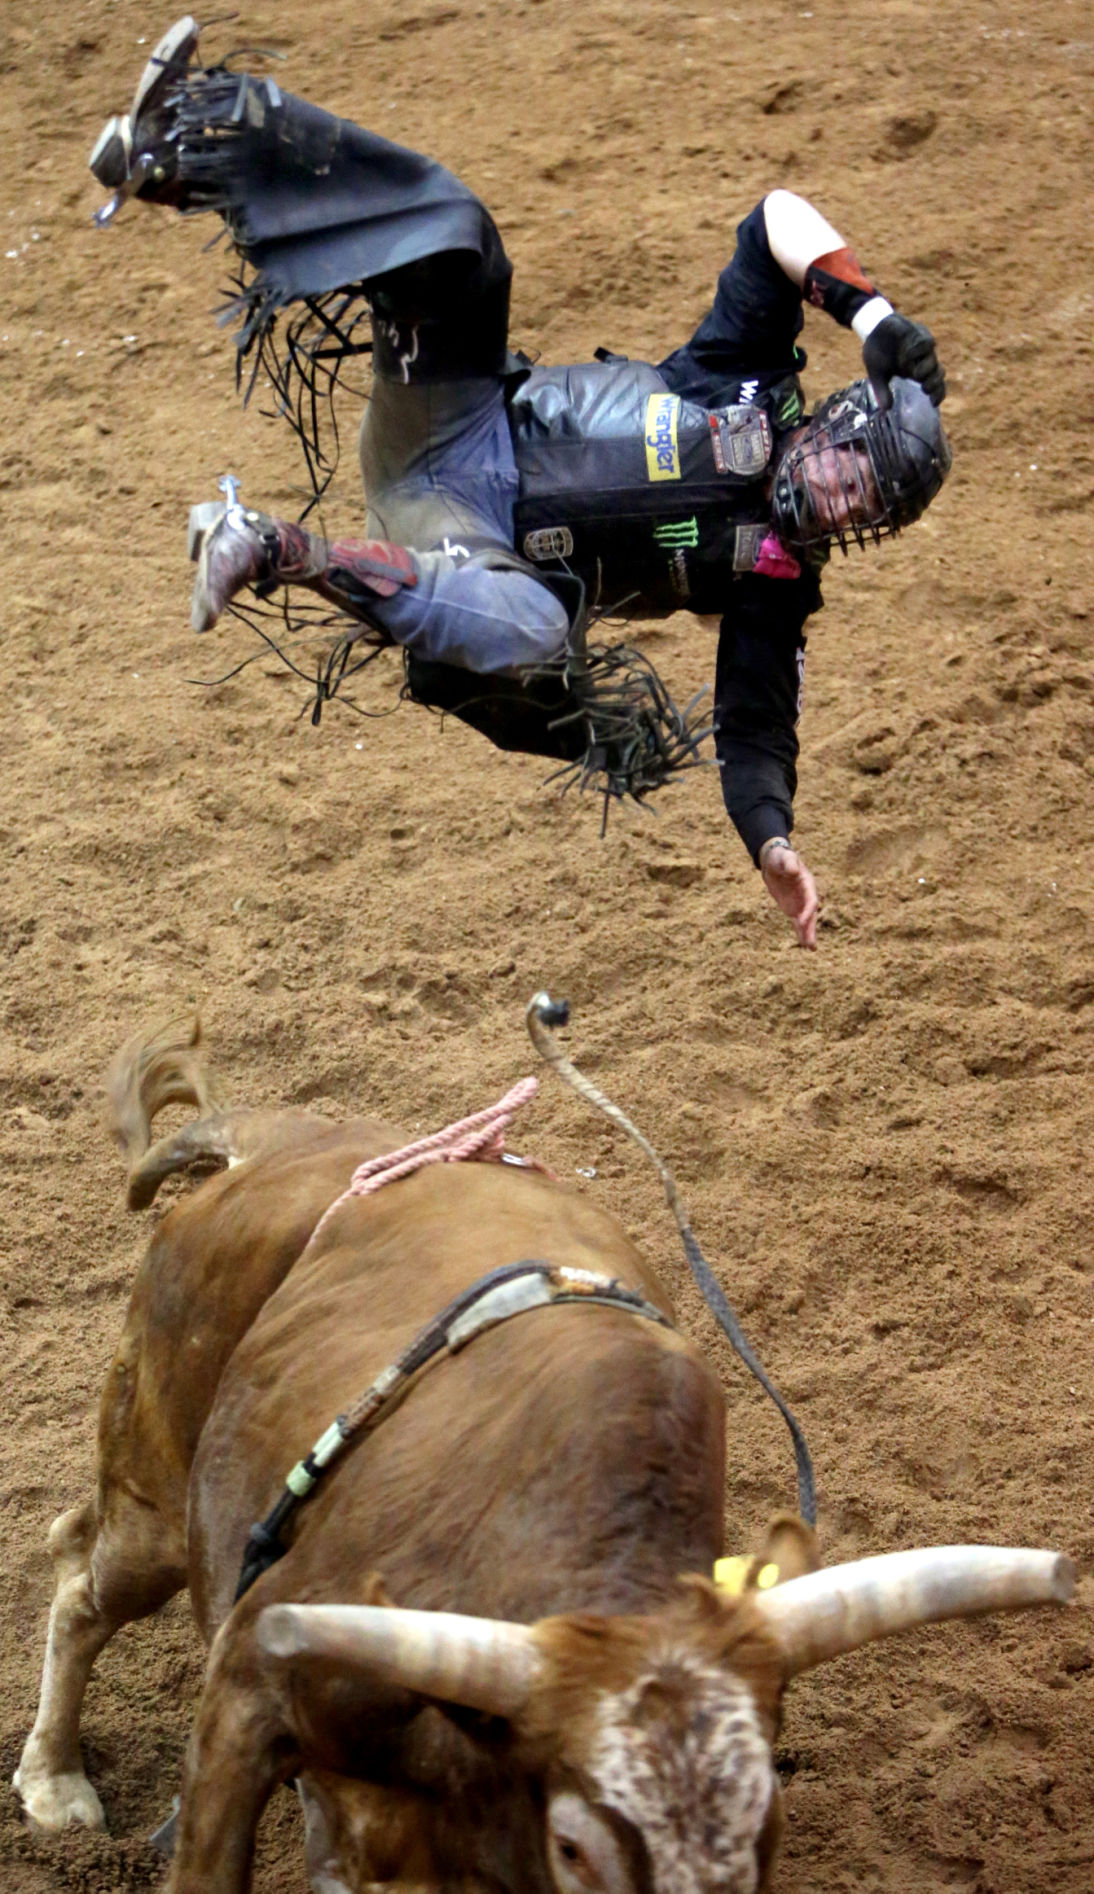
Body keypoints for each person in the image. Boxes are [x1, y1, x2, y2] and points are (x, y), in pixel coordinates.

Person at [90, 17, 951, 949]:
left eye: (869, 512)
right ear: (837, 422)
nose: (846, 502)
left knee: (537, 630)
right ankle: (193, 149)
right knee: (465, 242)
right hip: (453, 410)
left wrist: (772, 844)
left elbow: (757, 737)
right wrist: (871, 313)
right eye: (857, 473)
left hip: (456, 545)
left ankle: (268, 545)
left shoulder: (773, 585)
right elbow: (777, 216)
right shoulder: (744, 374)